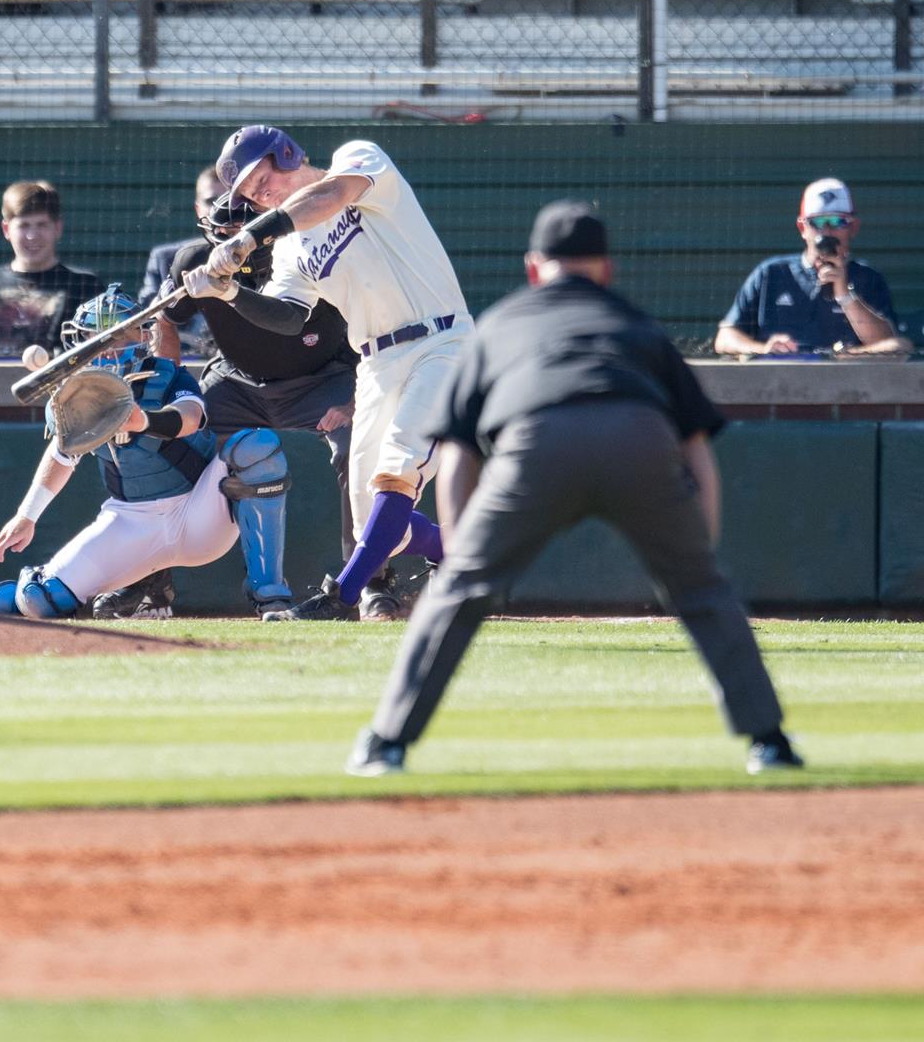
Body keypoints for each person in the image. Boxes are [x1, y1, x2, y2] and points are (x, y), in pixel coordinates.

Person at [347, 201, 803, 778]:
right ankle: (770, 743)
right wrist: (698, 555)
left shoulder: (501, 322)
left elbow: (459, 450)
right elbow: (696, 449)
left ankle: (386, 743)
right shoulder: (637, 325)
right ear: (605, 269)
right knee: (703, 592)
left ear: (534, 267)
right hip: (639, 439)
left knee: (459, 593)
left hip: (537, 442)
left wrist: (462, 555)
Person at [194, 123, 463, 621]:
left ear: (288, 153)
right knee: (376, 525)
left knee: (398, 471)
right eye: (250, 193)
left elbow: (333, 194)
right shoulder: (291, 251)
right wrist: (228, 292)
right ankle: (460, 554)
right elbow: (288, 318)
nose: (260, 193)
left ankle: (342, 596)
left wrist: (251, 235)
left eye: (261, 176)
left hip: (440, 340)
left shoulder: (356, 159)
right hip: (376, 363)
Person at [100, 165, 375, 621]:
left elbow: (372, 327)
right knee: (160, 435)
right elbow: (167, 320)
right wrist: (166, 388)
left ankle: (364, 583)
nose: (231, 243)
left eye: (243, 229)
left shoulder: (312, 250)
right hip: (237, 382)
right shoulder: (194, 261)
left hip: (324, 379)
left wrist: (353, 401)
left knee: (357, 444)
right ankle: (149, 579)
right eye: (222, 231)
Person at [0, 285, 289, 621]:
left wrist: (142, 420)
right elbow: (62, 455)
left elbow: (190, 419)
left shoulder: (168, 375)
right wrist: (26, 516)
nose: (108, 348)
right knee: (39, 600)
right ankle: (136, 582)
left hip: (200, 508)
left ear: (142, 336)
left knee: (256, 448)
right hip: (132, 519)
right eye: (97, 336)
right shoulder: (75, 395)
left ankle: (271, 598)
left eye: (118, 335)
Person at [713, 178, 911, 359]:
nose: (826, 231)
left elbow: (890, 343)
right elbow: (725, 338)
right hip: (779, 380)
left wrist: (845, 296)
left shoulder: (867, 278)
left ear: (853, 228)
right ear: (802, 228)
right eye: (816, 222)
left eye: (837, 222)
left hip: (845, 383)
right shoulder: (771, 273)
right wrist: (765, 349)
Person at [0, 179, 103, 359]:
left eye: (41, 225)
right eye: (23, 225)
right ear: (6, 229)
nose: (32, 236)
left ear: (58, 228)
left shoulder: (85, 285)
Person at [139, 166, 222, 362]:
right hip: (179, 365)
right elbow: (148, 320)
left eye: (227, 200)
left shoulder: (260, 256)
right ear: (198, 208)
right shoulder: (166, 258)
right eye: (211, 201)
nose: (219, 208)